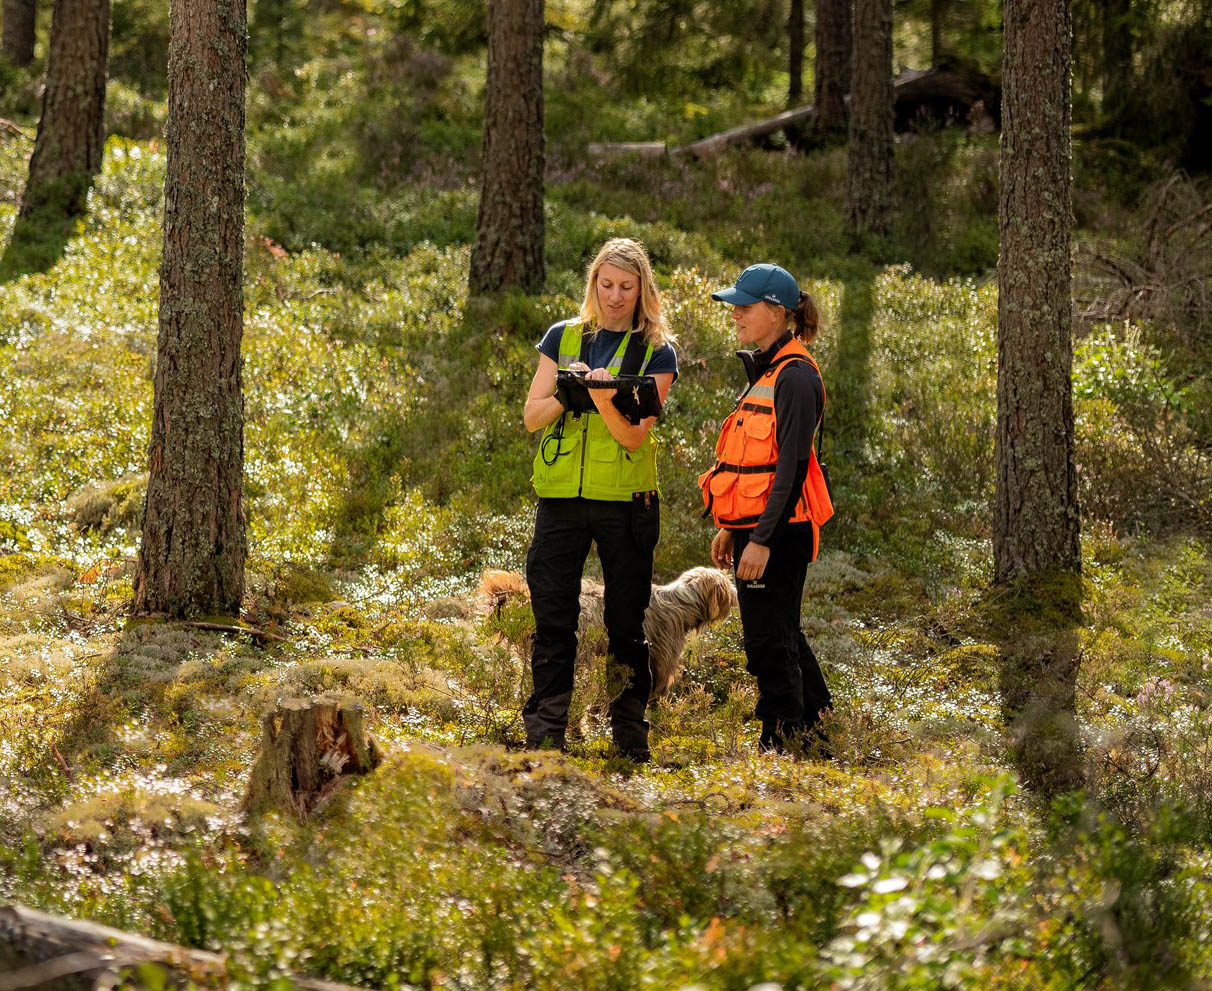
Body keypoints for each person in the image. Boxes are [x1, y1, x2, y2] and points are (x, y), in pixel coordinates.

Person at [521, 237, 678, 761]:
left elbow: (634, 436)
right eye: (606, 285)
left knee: (626, 624)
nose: (614, 296)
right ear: (594, 284)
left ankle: (630, 739)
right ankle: (546, 734)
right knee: (552, 618)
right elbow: (531, 415)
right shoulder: (562, 337)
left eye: (626, 287)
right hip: (561, 498)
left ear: (642, 290)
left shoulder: (658, 351)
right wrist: (568, 393)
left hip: (626, 502)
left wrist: (604, 398)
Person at [699, 263, 834, 754]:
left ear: (776, 312)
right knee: (781, 634)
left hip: (781, 532)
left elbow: (792, 469)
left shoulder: (795, 377)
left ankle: (780, 741)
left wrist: (761, 540)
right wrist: (733, 528)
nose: (735, 314)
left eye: (745, 306)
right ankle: (821, 730)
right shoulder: (771, 368)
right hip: (758, 528)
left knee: (767, 642)